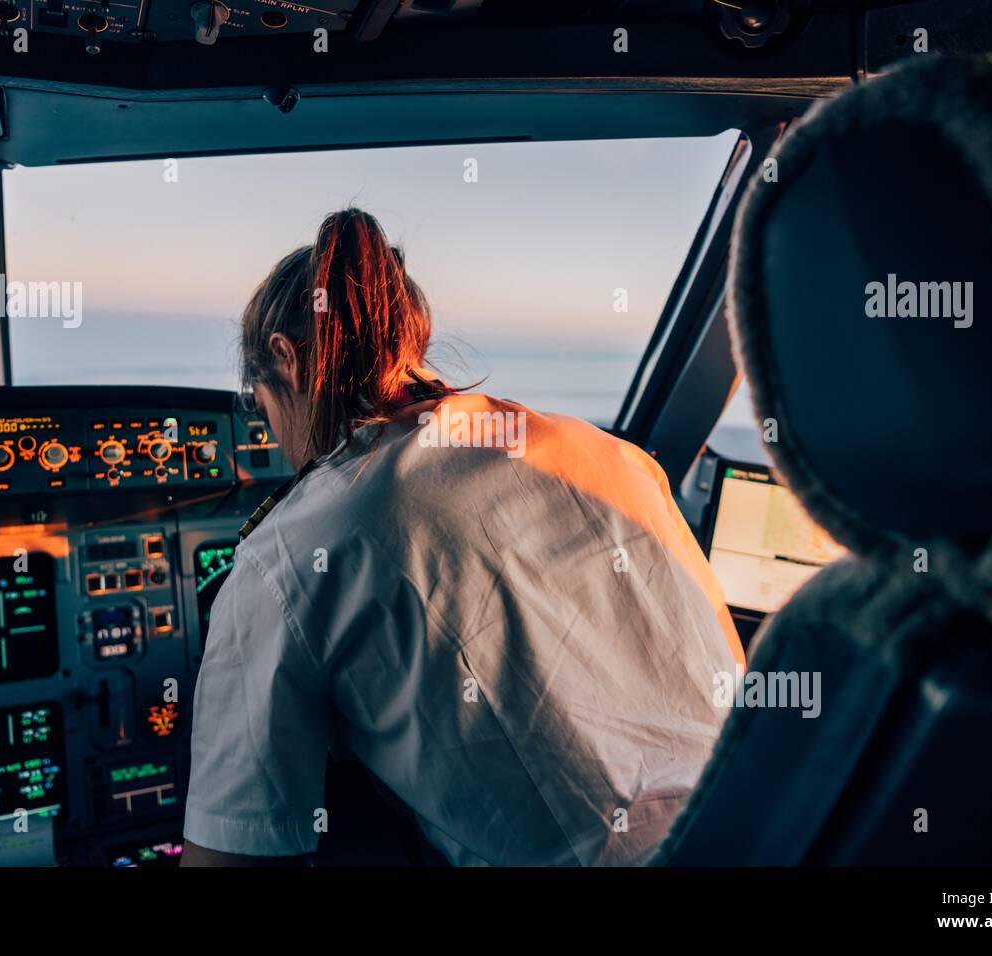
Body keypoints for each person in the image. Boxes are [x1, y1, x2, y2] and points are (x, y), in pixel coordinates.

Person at [181, 208, 744, 867]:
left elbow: (229, 860)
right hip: (777, 831)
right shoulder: (616, 461)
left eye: (260, 400)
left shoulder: (286, 557)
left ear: (285, 357)